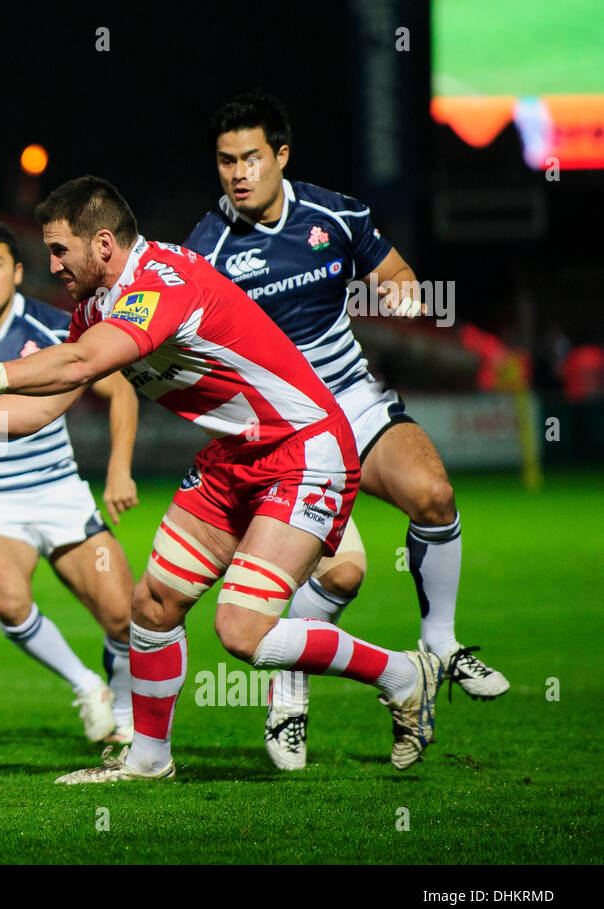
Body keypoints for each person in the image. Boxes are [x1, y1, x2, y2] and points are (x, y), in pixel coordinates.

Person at [0, 176, 444, 783]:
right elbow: (52, 398)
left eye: (60, 250)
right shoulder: (93, 307)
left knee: (241, 630)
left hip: (303, 449)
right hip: (233, 457)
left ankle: (403, 674)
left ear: (103, 244)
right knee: (153, 606)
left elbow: (79, 361)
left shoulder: (161, 281)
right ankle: (148, 759)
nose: (50, 263)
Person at [183, 91, 507, 770]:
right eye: (225, 161)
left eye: (250, 158)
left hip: (352, 401)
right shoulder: (204, 251)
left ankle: (440, 644)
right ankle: (289, 699)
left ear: (282, 156)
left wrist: (402, 291)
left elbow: (395, 273)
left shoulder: (336, 214)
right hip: (281, 435)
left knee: (435, 496)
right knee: (345, 574)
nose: (238, 173)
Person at [0, 221, 139, 743]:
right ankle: (86, 686)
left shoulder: (58, 326)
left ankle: (123, 719)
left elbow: (120, 392)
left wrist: (118, 469)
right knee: (9, 602)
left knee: (124, 619)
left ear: (15, 272)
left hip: (59, 491)